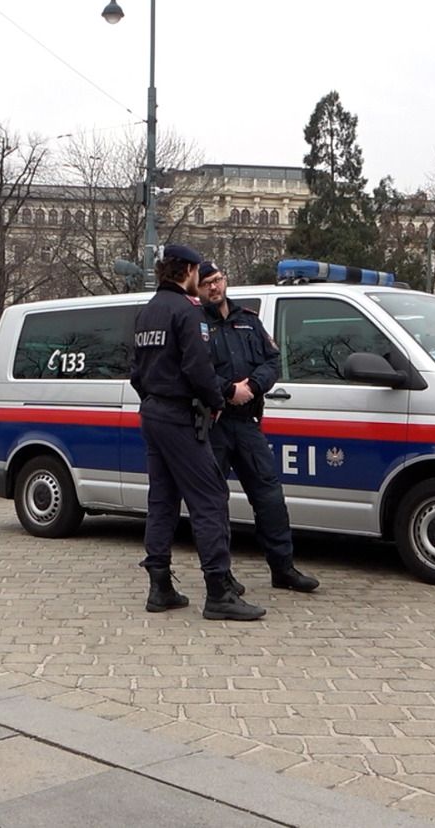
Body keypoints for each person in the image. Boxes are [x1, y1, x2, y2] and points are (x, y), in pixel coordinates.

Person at [130, 244, 263, 621]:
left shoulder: (146, 312)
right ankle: (219, 592)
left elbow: (136, 372)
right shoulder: (187, 312)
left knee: (162, 500)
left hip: (152, 414)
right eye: (196, 272)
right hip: (179, 417)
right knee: (210, 499)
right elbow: (198, 367)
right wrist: (219, 397)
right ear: (187, 270)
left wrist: (156, 399)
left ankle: (160, 587)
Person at [198, 262, 319, 593]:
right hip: (214, 424)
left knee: (269, 498)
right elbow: (196, 370)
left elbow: (272, 361)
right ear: (197, 288)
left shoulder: (248, 321)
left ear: (226, 281)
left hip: (248, 422)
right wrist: (228, 391)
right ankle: (222, 576)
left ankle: (283, 569)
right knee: (214, 503)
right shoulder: (195, 325)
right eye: (206, 283)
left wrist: (251, 386)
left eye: (217, 280)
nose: (213, 288)